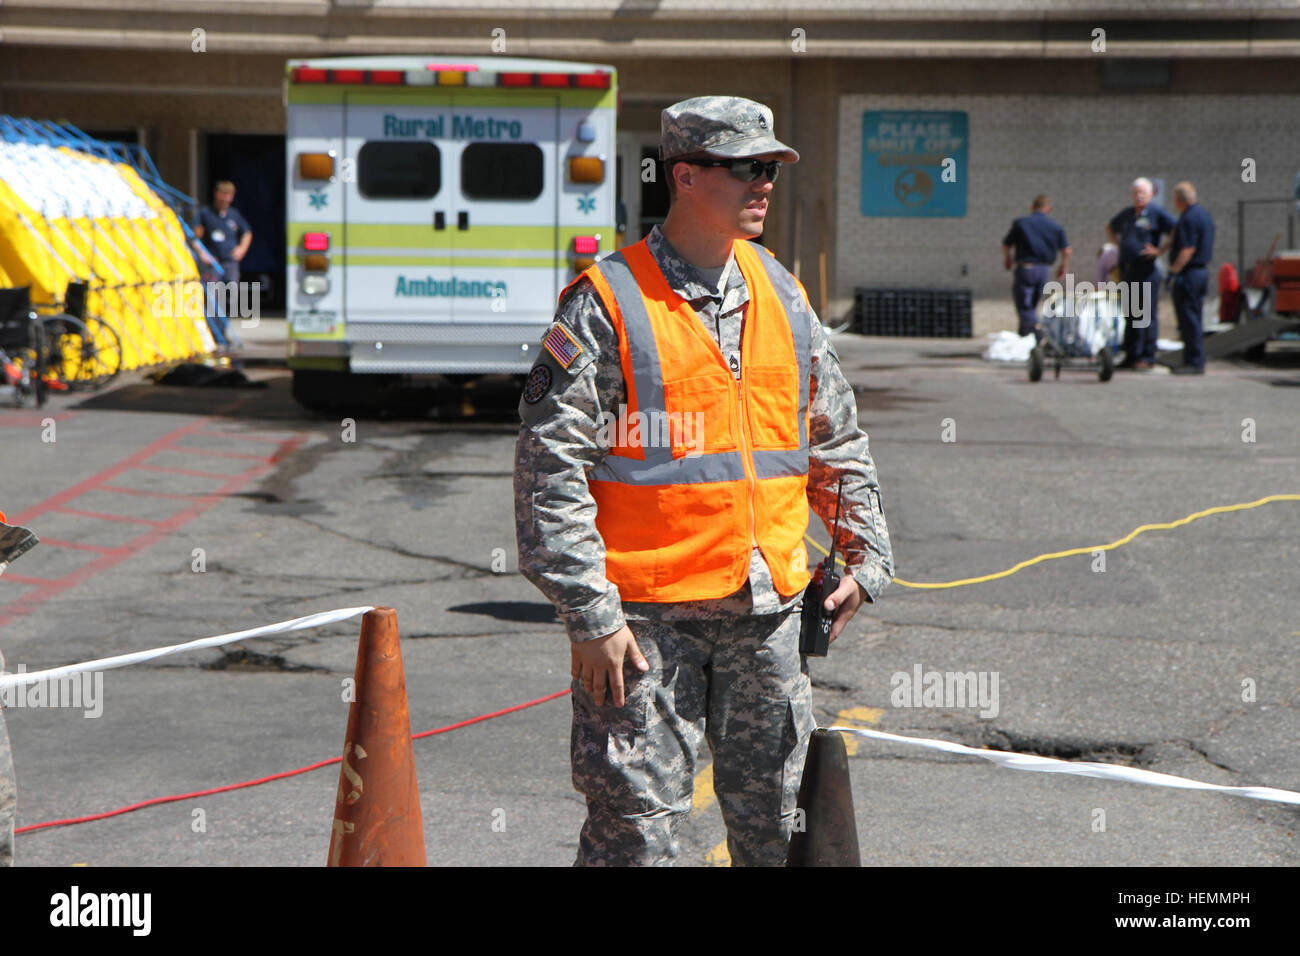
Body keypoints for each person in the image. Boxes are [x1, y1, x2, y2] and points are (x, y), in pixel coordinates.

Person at [513, 96, 894, 867]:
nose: (765, 185)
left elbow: (832, 435)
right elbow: (549, 468)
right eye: (747, 168)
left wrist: (864, 555)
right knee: (638, 839)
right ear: (685, 176)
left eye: (772, 170)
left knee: (779, 832)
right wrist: (589, 614)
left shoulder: (782, 294)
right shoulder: (608, 303)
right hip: (646, 631)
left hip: (768, 617)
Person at [1107, 178, 1176, 370]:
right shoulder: (1128, 214)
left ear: (1150, 194)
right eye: (1136, 192)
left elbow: (1176, 229)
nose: (1139, 196)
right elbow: (1110, 227)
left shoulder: (1156, 213)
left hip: (1146, 270)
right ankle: (1131, 354)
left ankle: (1147, 356)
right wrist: (1119, 245)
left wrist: (1160, 250)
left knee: (1146, 313)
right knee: (1130, 313)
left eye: (1142, 193)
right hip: (1128, 270)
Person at [191, 181, 253, 350]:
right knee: (213, 298)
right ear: (216, 194)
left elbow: (247, 232)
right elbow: (195, 237)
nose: (225, 198)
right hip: (214, 263)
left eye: (229, 195)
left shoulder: (233, 215)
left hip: (230, 263)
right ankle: (213, 334)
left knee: (229, 297)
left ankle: (224, 332)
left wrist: (241, 249)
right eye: (223, 194)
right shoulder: (205, 213)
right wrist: (203, 254)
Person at [1001, 195, 1071, 340]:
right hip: (1044, 270)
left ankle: (1039, 335)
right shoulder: (1055, 227)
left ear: (1032, 208)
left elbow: (1006, 245)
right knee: (1032, 306)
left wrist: (1008, 258)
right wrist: (1063, 266)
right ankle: (1025, 337)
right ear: (1048, 209)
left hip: (1026, 268)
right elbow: (1067, 250)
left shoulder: (1021, 223)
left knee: (1024, 306)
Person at [1165, 181, 1215, 375]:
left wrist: (1173, 271)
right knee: (1194, 317)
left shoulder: (1188, 218)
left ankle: (1194, 362)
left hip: (1189, 274)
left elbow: (1187, 249)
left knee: (1189, 319)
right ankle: (1193, 359)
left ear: (1178, 200)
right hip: (1200, 272)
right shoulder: (1204, 215)